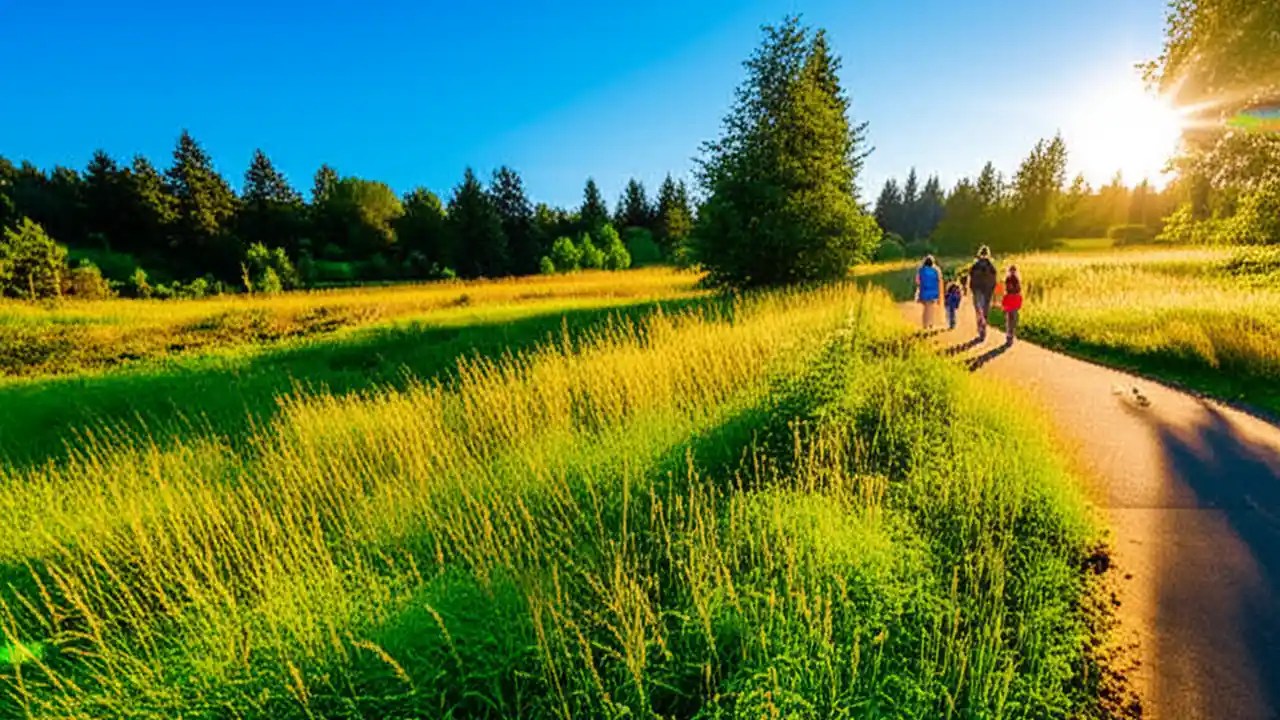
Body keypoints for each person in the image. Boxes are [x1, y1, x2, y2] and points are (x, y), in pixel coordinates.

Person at [968, 246, 998, 341]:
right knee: (985, 310)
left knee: (978, 310)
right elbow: (994, 280)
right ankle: (983, 329)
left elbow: (971, 278)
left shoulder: (975, 265)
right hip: (987, 291)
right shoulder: (991, 266)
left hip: (977, 290)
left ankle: (980, 327)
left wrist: (972, 289)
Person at [914, 255, 942, 329]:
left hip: (924, 291)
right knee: (931, 308)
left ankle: (925, 324)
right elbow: (939, 280)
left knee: (926, 308)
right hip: (933, 291)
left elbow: (917, 281)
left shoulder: (921, 270)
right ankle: (931, 323)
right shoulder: (936, 270)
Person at [1002, 265, 1023, 345]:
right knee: (1012, 319)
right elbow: (1014, 290)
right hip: (1012, 299)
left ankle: (1009, 335)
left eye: (1013, 270)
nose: (1013, 272)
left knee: (1011, 319)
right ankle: (1010, 335)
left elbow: (1009, 289)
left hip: (1011, 299)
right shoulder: (1012, 279)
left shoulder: (1012, 279)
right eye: (1012, 270)